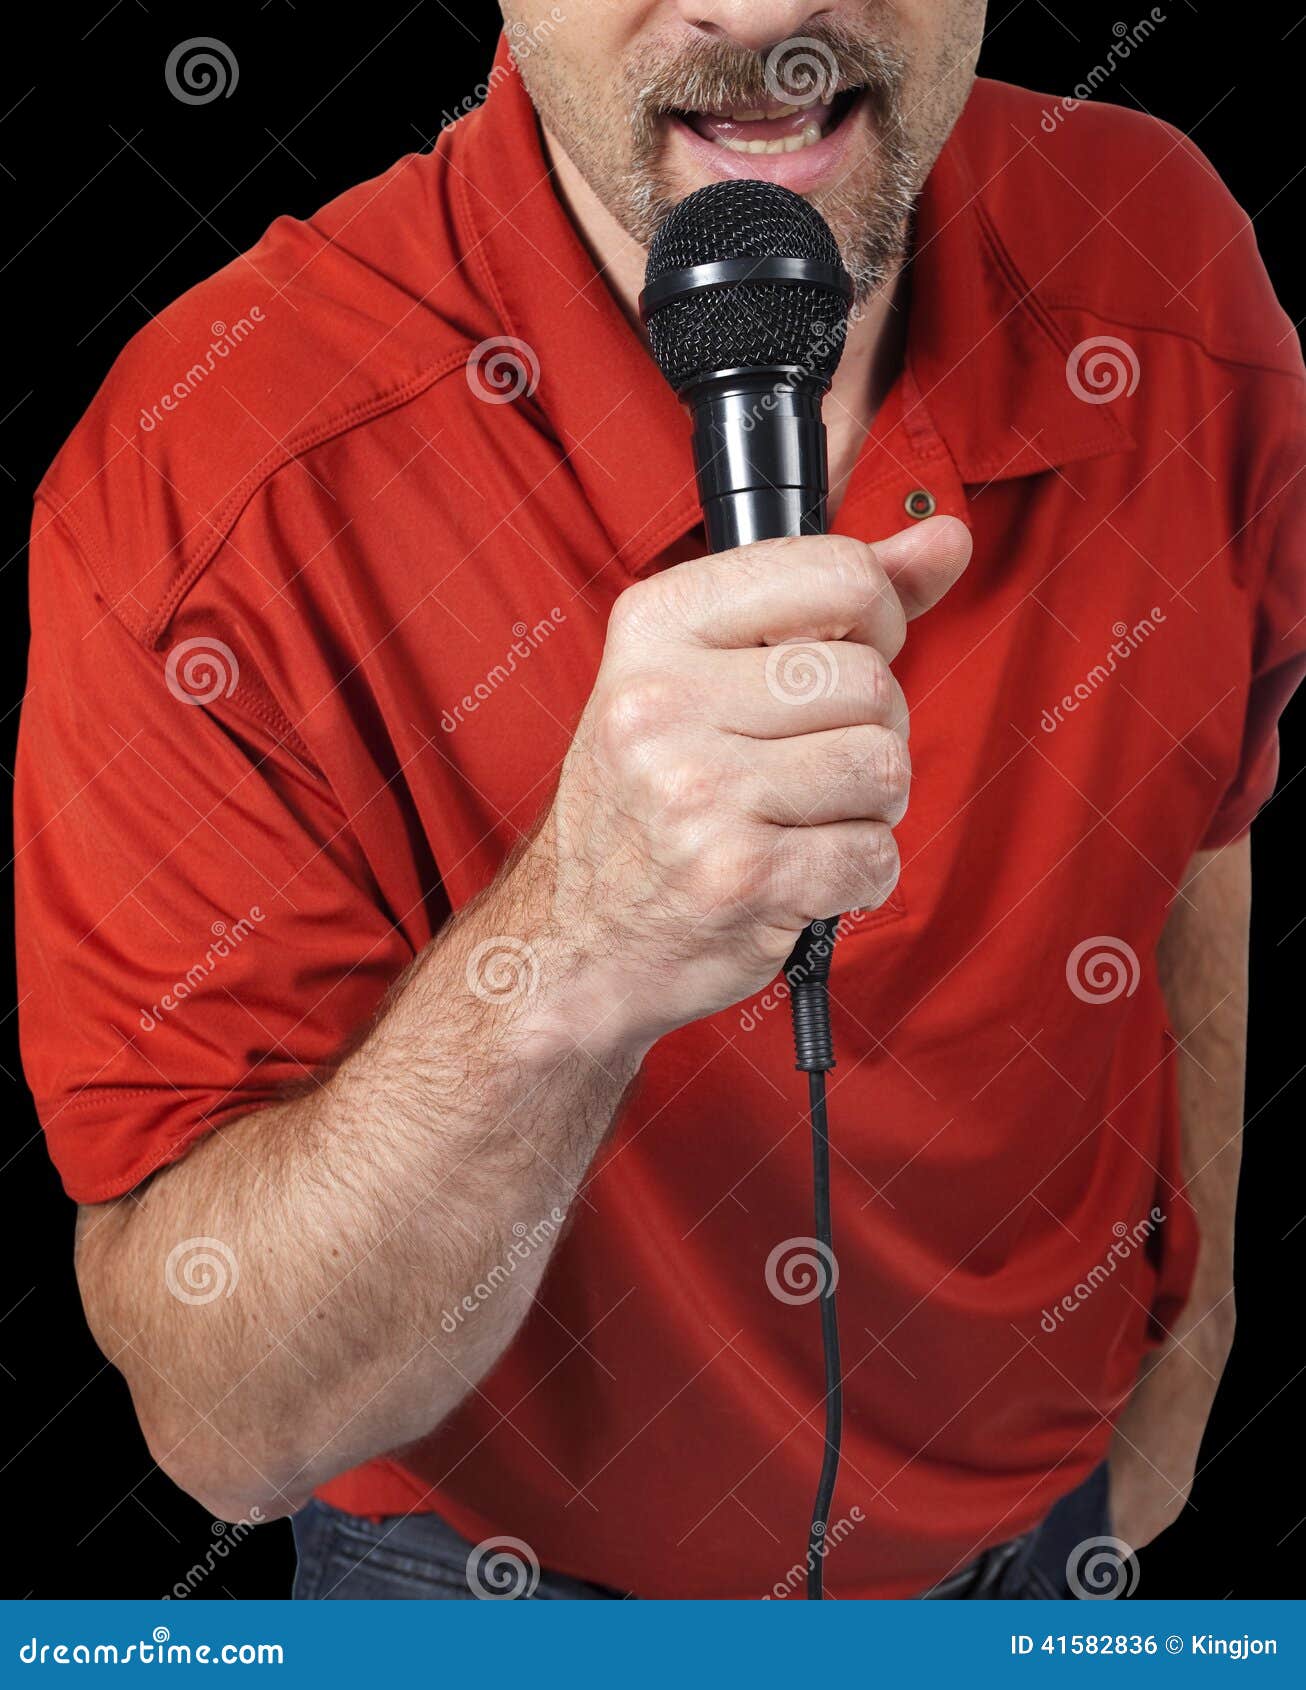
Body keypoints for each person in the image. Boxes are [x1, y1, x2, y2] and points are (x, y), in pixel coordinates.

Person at [16, 1, 1304, 1600]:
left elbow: (1208, 817)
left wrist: (1195, 1337)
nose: (761, 11)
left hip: (1042, 1536)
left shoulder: (1161, 255)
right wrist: (571, 945)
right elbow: (222, 1417)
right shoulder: (204, 475)